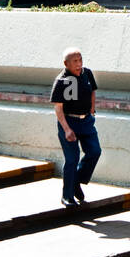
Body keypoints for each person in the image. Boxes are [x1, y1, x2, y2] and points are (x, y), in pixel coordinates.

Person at [51, 47, 101, 206]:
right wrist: (66, 129)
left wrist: (92, 109)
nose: (79, 64)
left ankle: (77, 180)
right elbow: (58, 108)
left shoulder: (87, 73)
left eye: (80, 60)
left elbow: (92, 90)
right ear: (66, 64)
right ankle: (67, 196)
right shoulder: (62, 81)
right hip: (69, 122)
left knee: (95, 151)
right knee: (72, 159)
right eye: (75, 61)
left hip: (86, 121)